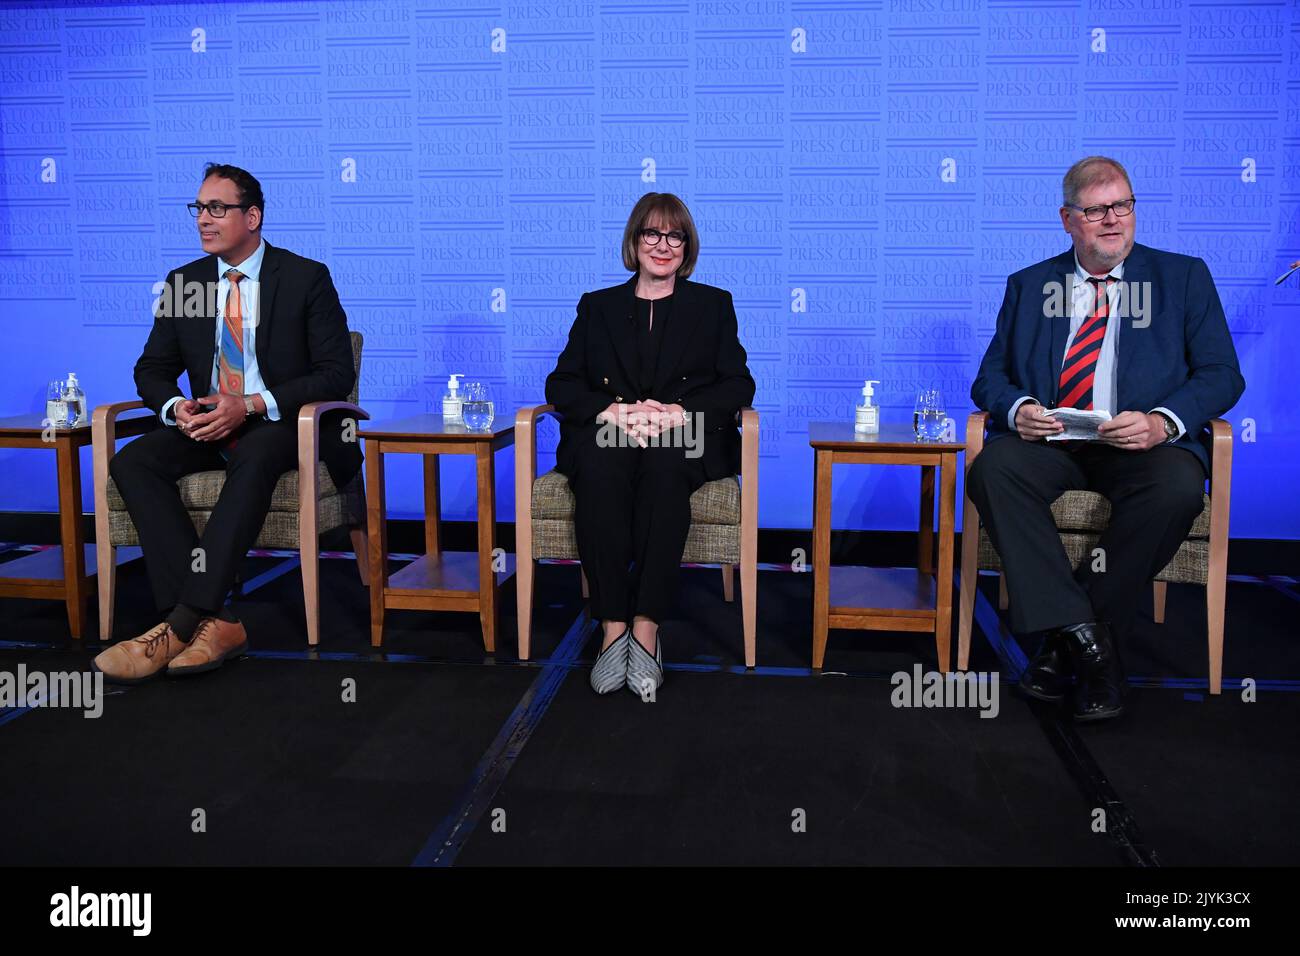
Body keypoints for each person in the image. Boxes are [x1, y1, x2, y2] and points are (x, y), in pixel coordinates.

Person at [967, 156, 1245, 721]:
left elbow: (1222, 374)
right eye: (1096, 211)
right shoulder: (1030, 285)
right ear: (1068, 219)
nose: (1113, 220)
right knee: (993, 469)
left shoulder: (1182, 277)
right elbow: (989, 377)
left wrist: (1163, 421)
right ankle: (1092, 645)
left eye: (1123, 205)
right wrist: (1017, 408)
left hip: (1139, 447)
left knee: (1177, 487)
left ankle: (1062, 644)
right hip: (1055, 443)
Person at [93, 164, 360, 683]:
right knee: (135, 461)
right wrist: (176, 407)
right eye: (198, 208)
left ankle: (178, 624)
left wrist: (252, 405)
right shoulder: (184, 283)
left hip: (279, 423)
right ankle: (215, 623)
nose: (203, 220)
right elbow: (151, 370)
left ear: (252, 216)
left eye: (217, 208)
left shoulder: (305, 277)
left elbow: (335, 374)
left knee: (255, 453)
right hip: (206, 422)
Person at [545, 192, 755, 696]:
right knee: (597, 468)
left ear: (687, 246)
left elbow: (738, 386)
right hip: (611, 428)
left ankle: (646, 626)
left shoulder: (713, 305)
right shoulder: (598, 307)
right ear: (635, 241)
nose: (663, 245)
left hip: (682, 432)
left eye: (674, 236)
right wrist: (613, 411)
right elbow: (561, 384)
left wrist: (680, 413)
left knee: (664, 469)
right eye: (652, 234)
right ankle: (612, 626)